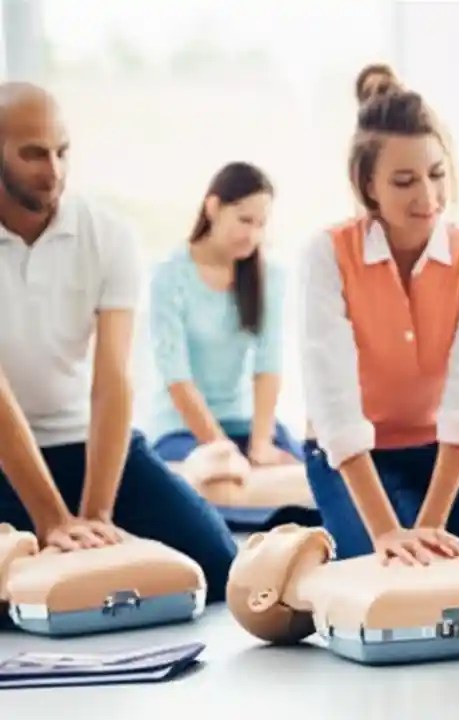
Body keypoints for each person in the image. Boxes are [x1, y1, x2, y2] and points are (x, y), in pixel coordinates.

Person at [0, 82, 237, 600]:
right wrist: (53, 520)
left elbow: (113, 379)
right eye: (33, 154)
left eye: (62, 151)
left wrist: (96, 519)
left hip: (89, 442)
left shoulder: (108, 234)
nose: (54, 170)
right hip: (5, 453)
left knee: (220, 568)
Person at [299, 89, 459, 564]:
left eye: (437, 175)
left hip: (449, 450)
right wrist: (388, 534)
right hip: (358, 457)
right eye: (403, 181)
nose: (428, 197)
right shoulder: (327, 254)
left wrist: (432, 527)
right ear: (368, 185)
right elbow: (334, 407)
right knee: (396, 573)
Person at [148, 161, 303, 468]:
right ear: (213, 207)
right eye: (245, 220)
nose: (253, 235)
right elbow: (176, 376)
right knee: (219, 481)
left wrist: (261, 445)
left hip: (247, 425)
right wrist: (222, 449)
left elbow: (268, 364)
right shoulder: (169, 276)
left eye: (261, 224)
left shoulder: (270, 275)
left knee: (309, 478)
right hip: (181, 429)